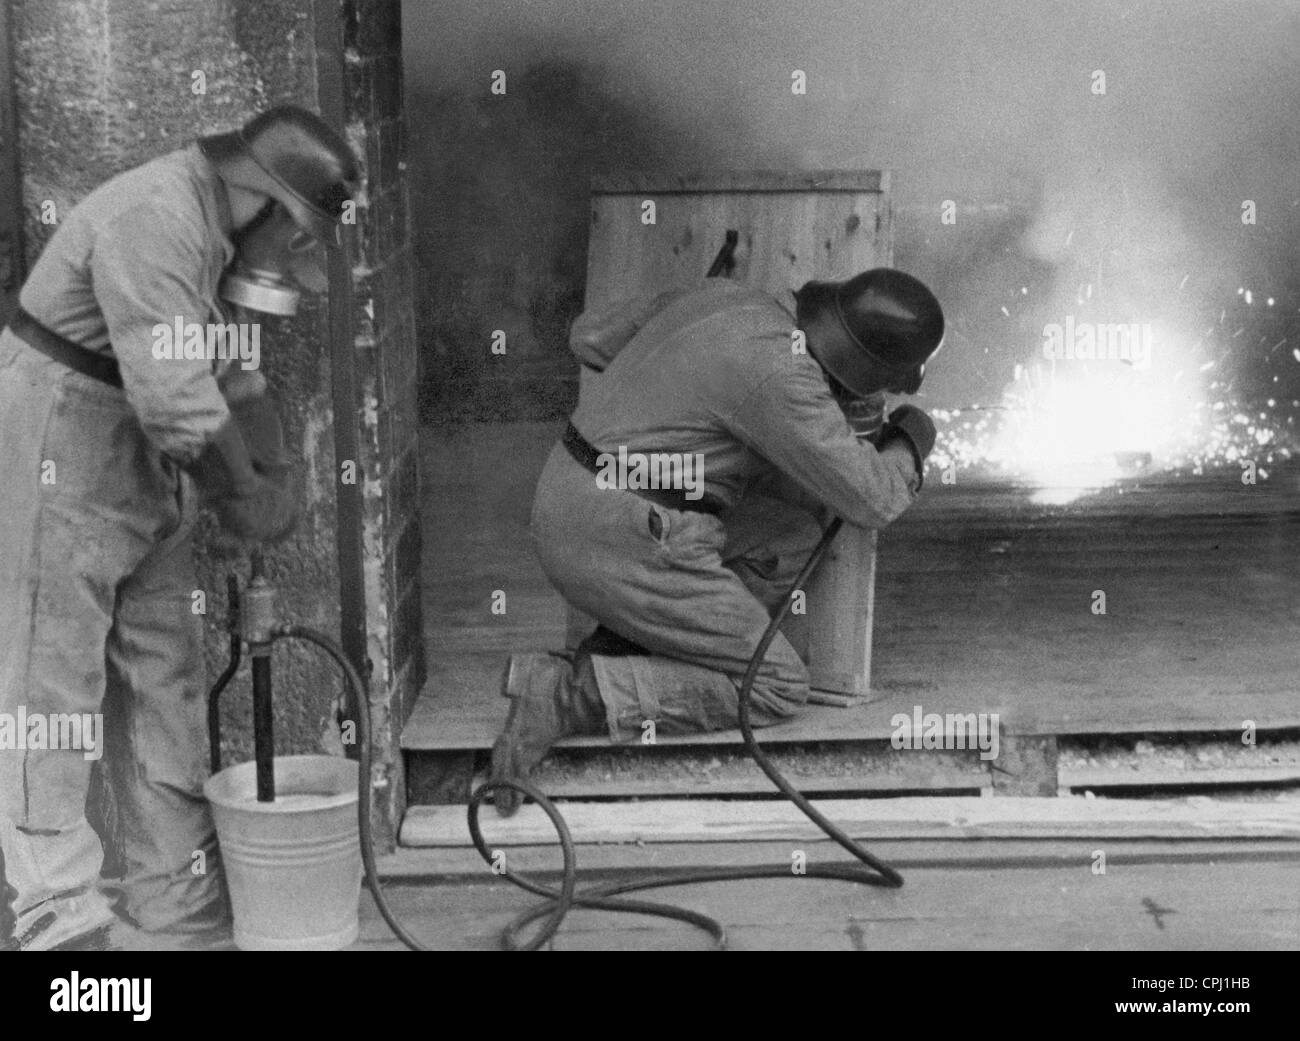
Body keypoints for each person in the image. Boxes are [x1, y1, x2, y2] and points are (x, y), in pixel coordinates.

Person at [0, 105, 359, 950]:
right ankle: (56, 912)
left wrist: (271, 472)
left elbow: (230, 375)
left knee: (170, 675)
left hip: (143, 457)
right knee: (51, 685)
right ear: (266, 204)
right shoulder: (153, 220)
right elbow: (176, 403)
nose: (295, 265)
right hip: (65, 434)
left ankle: (174, 906)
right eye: (299, 241)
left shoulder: (220, 235)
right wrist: (243, 493)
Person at [490, 269, 944, 816]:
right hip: (624, 533)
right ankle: (567, 696)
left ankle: (635, 646)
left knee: (790, 536)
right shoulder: (783, 377)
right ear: (862, 369)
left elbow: (588, 336)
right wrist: (910, 444)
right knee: (775, 685)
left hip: (569, 494)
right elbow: (872, 500)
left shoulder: (725, 295)